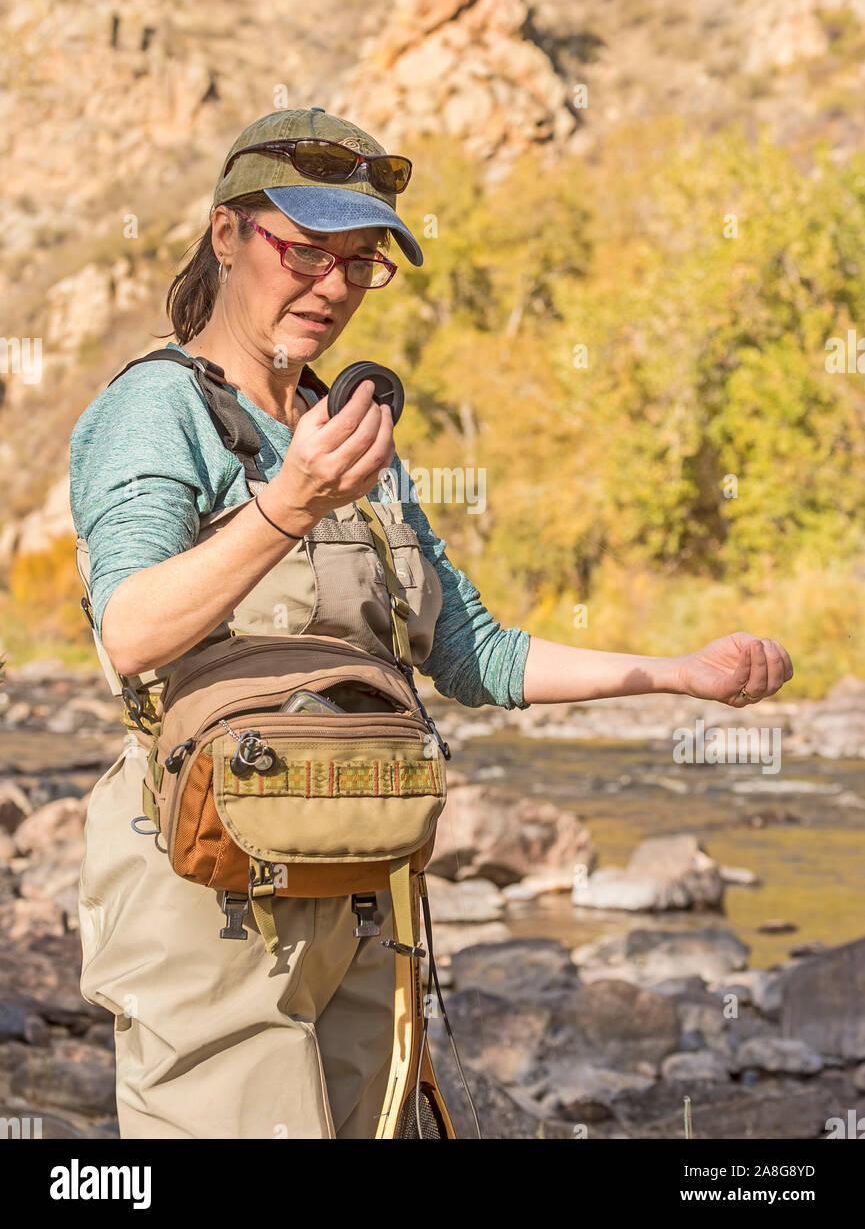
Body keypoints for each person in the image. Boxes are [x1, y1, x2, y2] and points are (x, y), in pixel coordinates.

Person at [69, 106, 793, 1140]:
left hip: (366, 895)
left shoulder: (349, 438)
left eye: (362, 265)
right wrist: (290, 505)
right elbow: (131, 632)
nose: (332, 289)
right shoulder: (159, 409)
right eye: (306, 252)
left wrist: (678, 672)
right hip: (209, 895)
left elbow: (474, 655)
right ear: (226, 234)